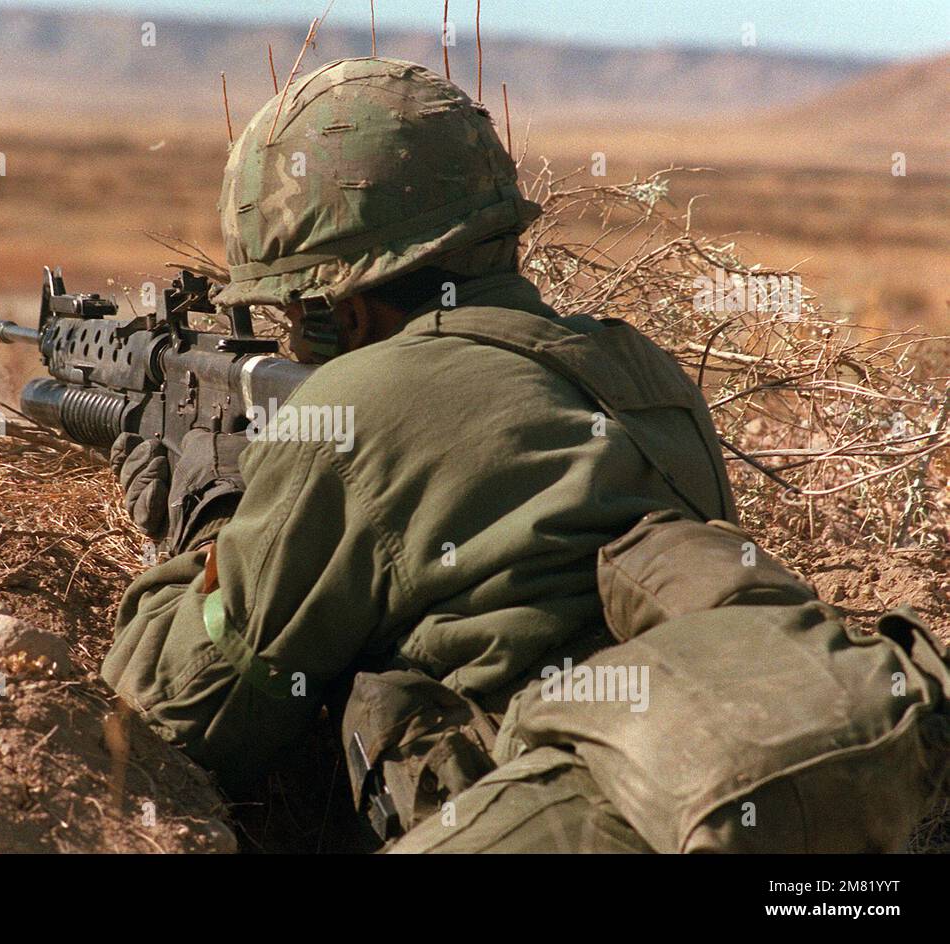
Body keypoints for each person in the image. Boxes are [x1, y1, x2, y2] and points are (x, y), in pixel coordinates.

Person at [101, 58, 950, 852]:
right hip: (732, 786)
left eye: (294, 316)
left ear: (343, 315)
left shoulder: (356, 409)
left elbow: (180, 716)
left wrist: (202, 534)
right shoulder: (642, 369)